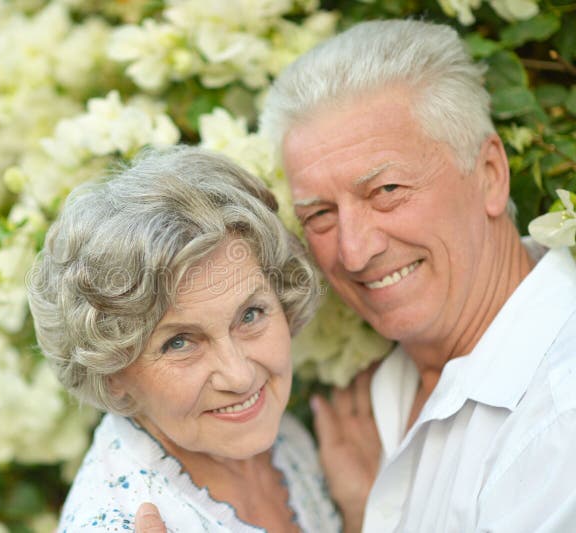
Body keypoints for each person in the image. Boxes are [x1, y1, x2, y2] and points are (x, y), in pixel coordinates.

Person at [136, 18, 576, 533]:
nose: (354, 250)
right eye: (319, 214)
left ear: (490, 176)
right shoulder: (374, 390)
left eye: (387, 190)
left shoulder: (560, 418)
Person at [27, 146, 341, 532]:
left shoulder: (278, 437)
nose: (239, 376)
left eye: (250, 315)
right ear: (113, 372)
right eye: (179, 343)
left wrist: (362, 515)